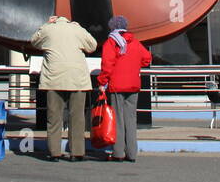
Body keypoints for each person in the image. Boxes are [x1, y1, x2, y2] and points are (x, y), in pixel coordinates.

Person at [29, 14, 96, 161]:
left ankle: (54, 152)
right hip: (76, 79)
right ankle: (76, 153)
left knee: (54, 117)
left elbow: (34, 41)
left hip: (54, 79)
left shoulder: (48, 29)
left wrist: (45, 25)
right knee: (77, 117)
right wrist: (80, 28)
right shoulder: (76, 29)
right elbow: (92, 46)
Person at [97, 15, 151, 162]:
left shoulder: (111, 42)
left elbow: (107, 65)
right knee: (131, 119)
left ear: (112, 27)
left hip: (117, 86)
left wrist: (102, 82)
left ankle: (118, 153)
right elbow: (147, 58)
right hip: (133, 85)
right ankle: (132, 153)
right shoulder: (135, 42)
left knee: (118, 120)